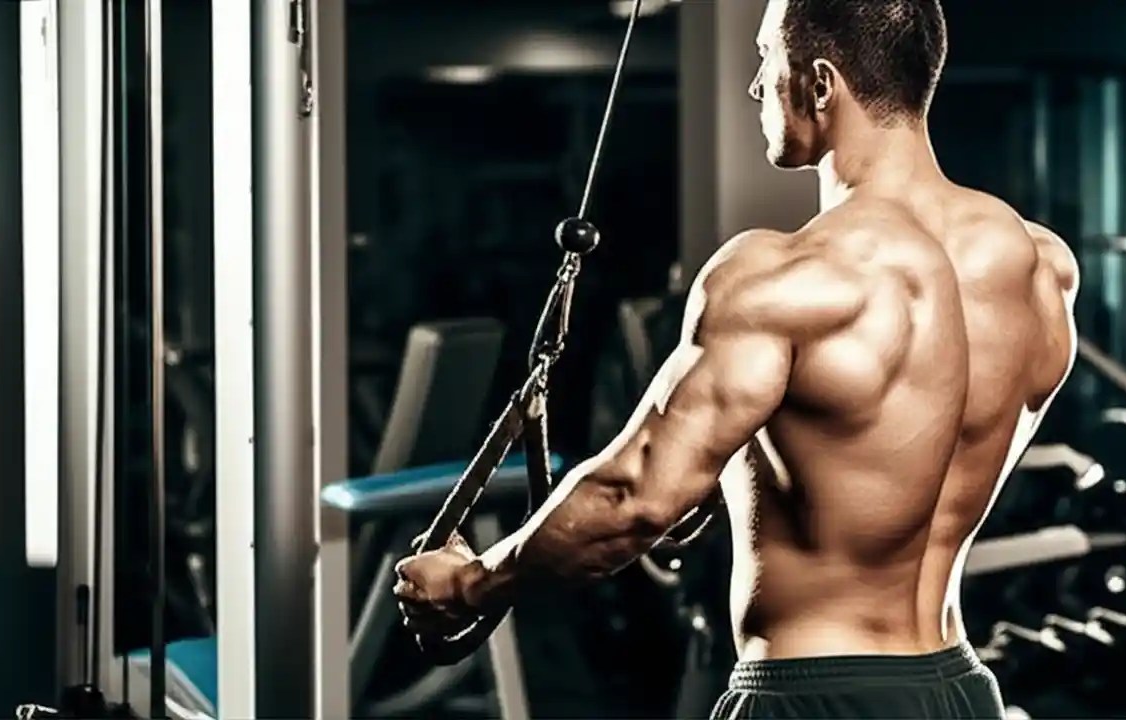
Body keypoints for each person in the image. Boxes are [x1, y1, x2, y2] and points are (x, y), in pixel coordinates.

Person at [394, 0, 1079, 717]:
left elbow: (631, 501)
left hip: (812, 695)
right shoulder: (1040, 271)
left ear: (820, 84)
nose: (755, 86)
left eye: (766, 60)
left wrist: (470, 583)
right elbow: (890, 455)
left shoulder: (782, 277)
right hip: (960, 688)